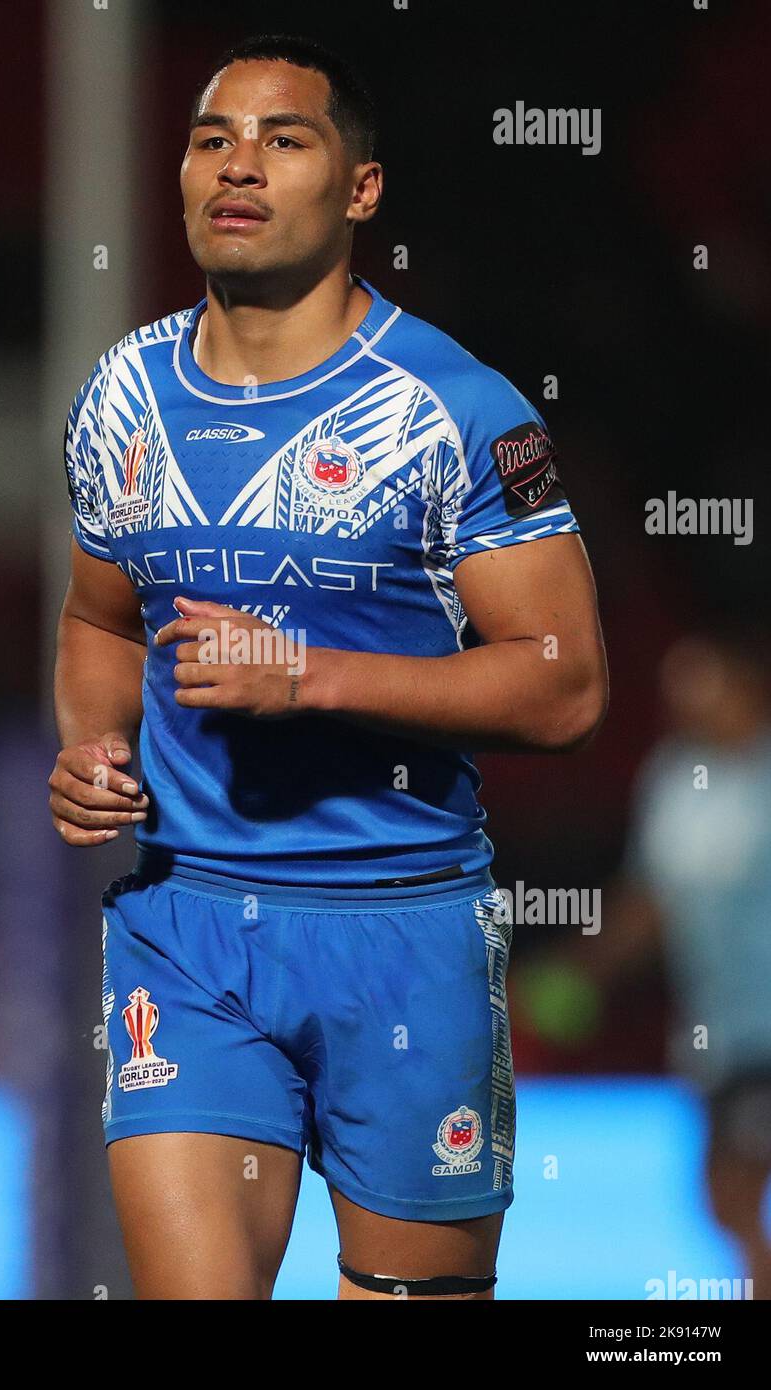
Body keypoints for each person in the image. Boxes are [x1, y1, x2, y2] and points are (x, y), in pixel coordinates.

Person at [50, 33, 607, 1300]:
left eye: (283, 140)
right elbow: (98, 620)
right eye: (211, 139)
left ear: (360, 188)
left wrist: (308, 677)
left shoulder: (458, 410)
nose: (238, 167)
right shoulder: (119, 396)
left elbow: (565, 685)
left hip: (401, 926)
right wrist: (96, 748)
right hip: (187, 926)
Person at [563, 628, 771, 1300]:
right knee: (722, 1198)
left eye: (704, 678)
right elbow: (649, 903)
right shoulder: (672, 778)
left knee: (738, 1183)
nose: (686, 698)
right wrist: (579, 973)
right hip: (716, 1032)